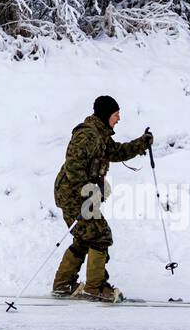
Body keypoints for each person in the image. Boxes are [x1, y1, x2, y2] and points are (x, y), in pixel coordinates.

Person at [50, 95, 153, 302]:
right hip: (72, 196)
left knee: (84, 238)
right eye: (116, 114)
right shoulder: (87, 135)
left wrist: (141, 143)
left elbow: (116, 152)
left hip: (78, 195)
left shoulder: (101, 135)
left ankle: (62, 285)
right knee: (100, 235)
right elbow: (73, 165)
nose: (119, 118)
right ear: (106, 115)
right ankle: (94, 288)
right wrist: (87, 191)